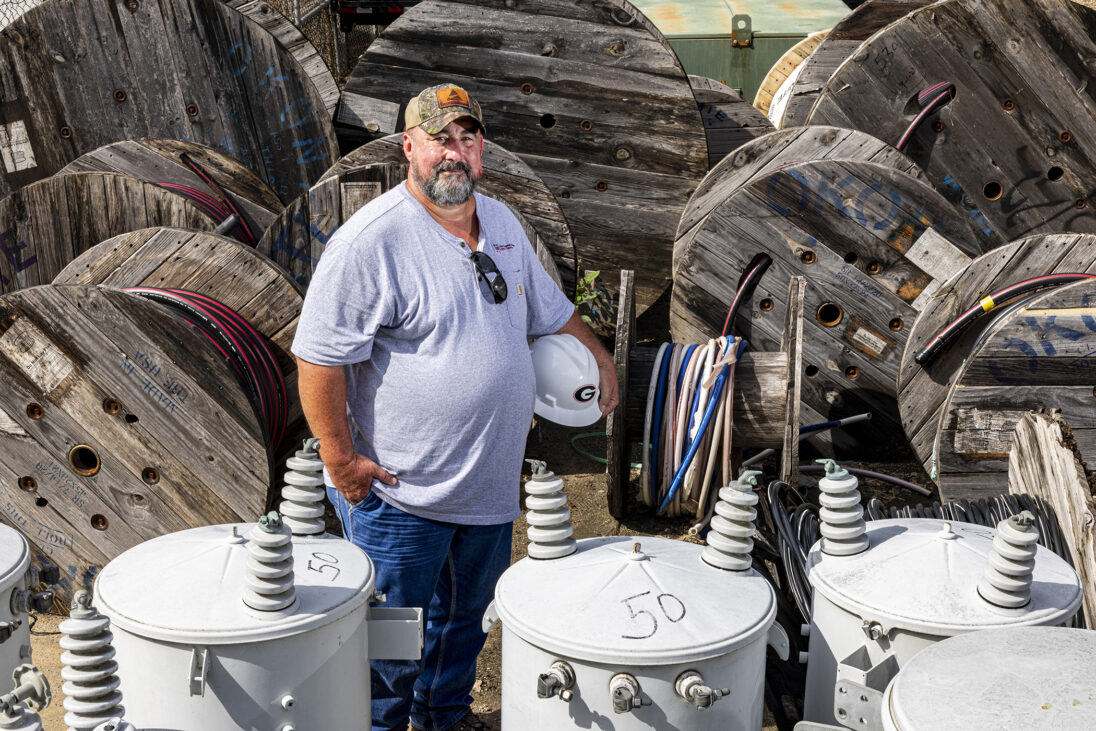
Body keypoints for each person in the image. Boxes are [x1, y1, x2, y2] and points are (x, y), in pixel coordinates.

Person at [291, 83, 618, 731]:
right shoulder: (372, 242)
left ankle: (442, 716)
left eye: (467, 138)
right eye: (440, 139)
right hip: (398, 492)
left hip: (488, 487)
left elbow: (549, 311)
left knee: (463, 623)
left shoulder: (501, 222)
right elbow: (318, 358)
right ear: (408, 147)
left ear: (482, 151)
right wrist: (341, 459)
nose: (454, 153)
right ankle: (382, 725)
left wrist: (597, 356)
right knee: (390, 637)